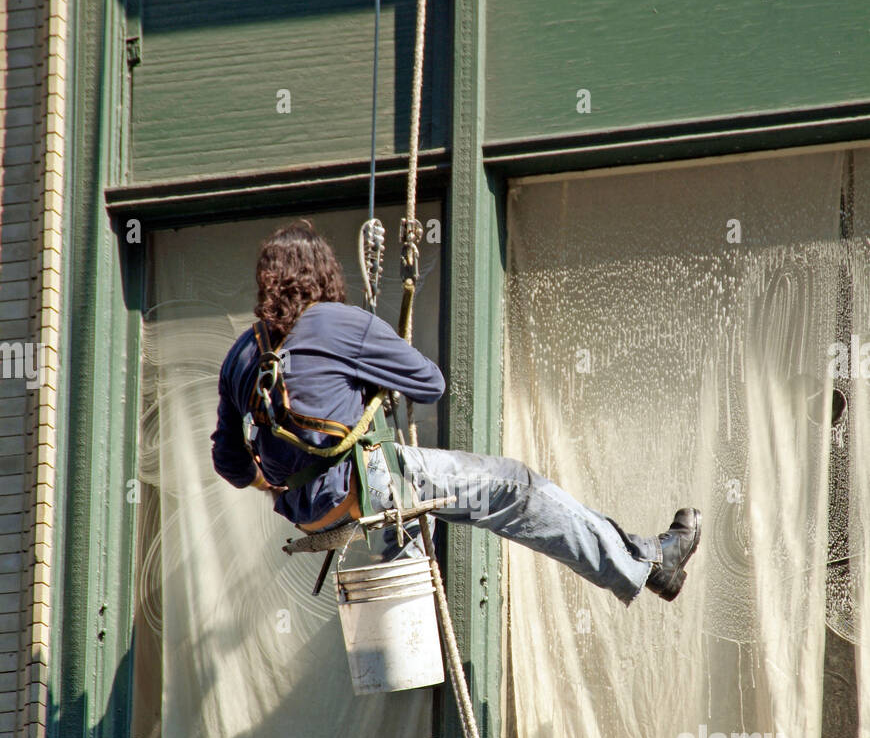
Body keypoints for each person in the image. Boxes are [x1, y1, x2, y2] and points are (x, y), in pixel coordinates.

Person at [211, 221, 701, 605]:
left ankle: (641, 555)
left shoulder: (240, 355)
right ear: (322, 275)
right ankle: (647, 563)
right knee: (517, 489)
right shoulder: (336, 322)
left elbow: (232, 466)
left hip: (310, 518)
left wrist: (286, 470)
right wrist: (370, 370)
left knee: (411, 537)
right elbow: (430, 382)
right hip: (368, 486)